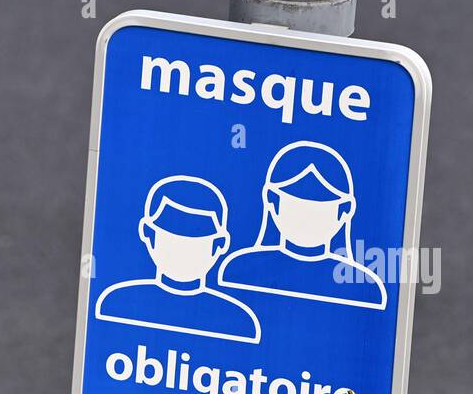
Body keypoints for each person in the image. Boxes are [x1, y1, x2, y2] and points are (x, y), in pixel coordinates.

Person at [217, 140, 387, 309]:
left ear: (345, 210)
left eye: (322, 203)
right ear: (272, 200)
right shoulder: (240, 269)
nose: (307, 212)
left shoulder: (363, 288)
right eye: (294, 201)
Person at [94, 175, 261, 344]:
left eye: (197, 238)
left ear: (220, 243)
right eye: (172, 236)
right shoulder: (118, 304)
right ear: (147, 232)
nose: (184, 246)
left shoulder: (237, 322)